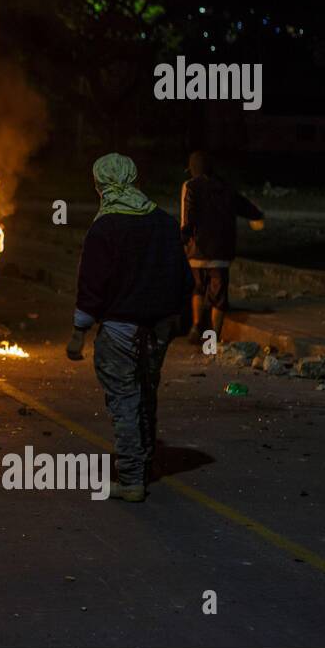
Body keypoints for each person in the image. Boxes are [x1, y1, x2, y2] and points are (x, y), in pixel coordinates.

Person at [66, 153, 192, 502]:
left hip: (120, 330)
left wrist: (79, 333)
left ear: (100, 184)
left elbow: (92, 287)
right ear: (135, 180)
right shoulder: (165, 223)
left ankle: (132, 479)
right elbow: (184, 280)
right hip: (159, 329)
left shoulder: (104, 227)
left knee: (124, 401)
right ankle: (146, 463)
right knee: (147, 394)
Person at [179, 150, 265, 343]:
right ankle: (213, 339)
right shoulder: (227, 188)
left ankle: (196, 327)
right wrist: (258, 215)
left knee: (198, 290)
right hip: (221, 253)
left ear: (192, 168)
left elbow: (187, 218)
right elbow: (246, 208)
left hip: (197, 252)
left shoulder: (190, 186)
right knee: (219, 298)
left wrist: (182, 243)